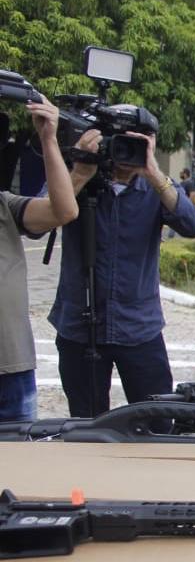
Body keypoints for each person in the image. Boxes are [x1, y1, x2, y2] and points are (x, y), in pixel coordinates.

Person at [50, 122, 195, 418]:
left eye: (139, 142)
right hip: (79, 325)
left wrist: (154, 173)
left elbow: (192, 225)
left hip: (139, 327)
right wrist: (81, 170)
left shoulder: (157, 187)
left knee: (157, 423)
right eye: (122, 141)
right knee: (86, 427)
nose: (128, 150)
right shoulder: (81, 177)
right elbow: (44, 213)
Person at [0, 97, 79, 422]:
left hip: (10, 368)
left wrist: (48, 139)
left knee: (21, 472)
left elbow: (64, 210)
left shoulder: (5, 205)